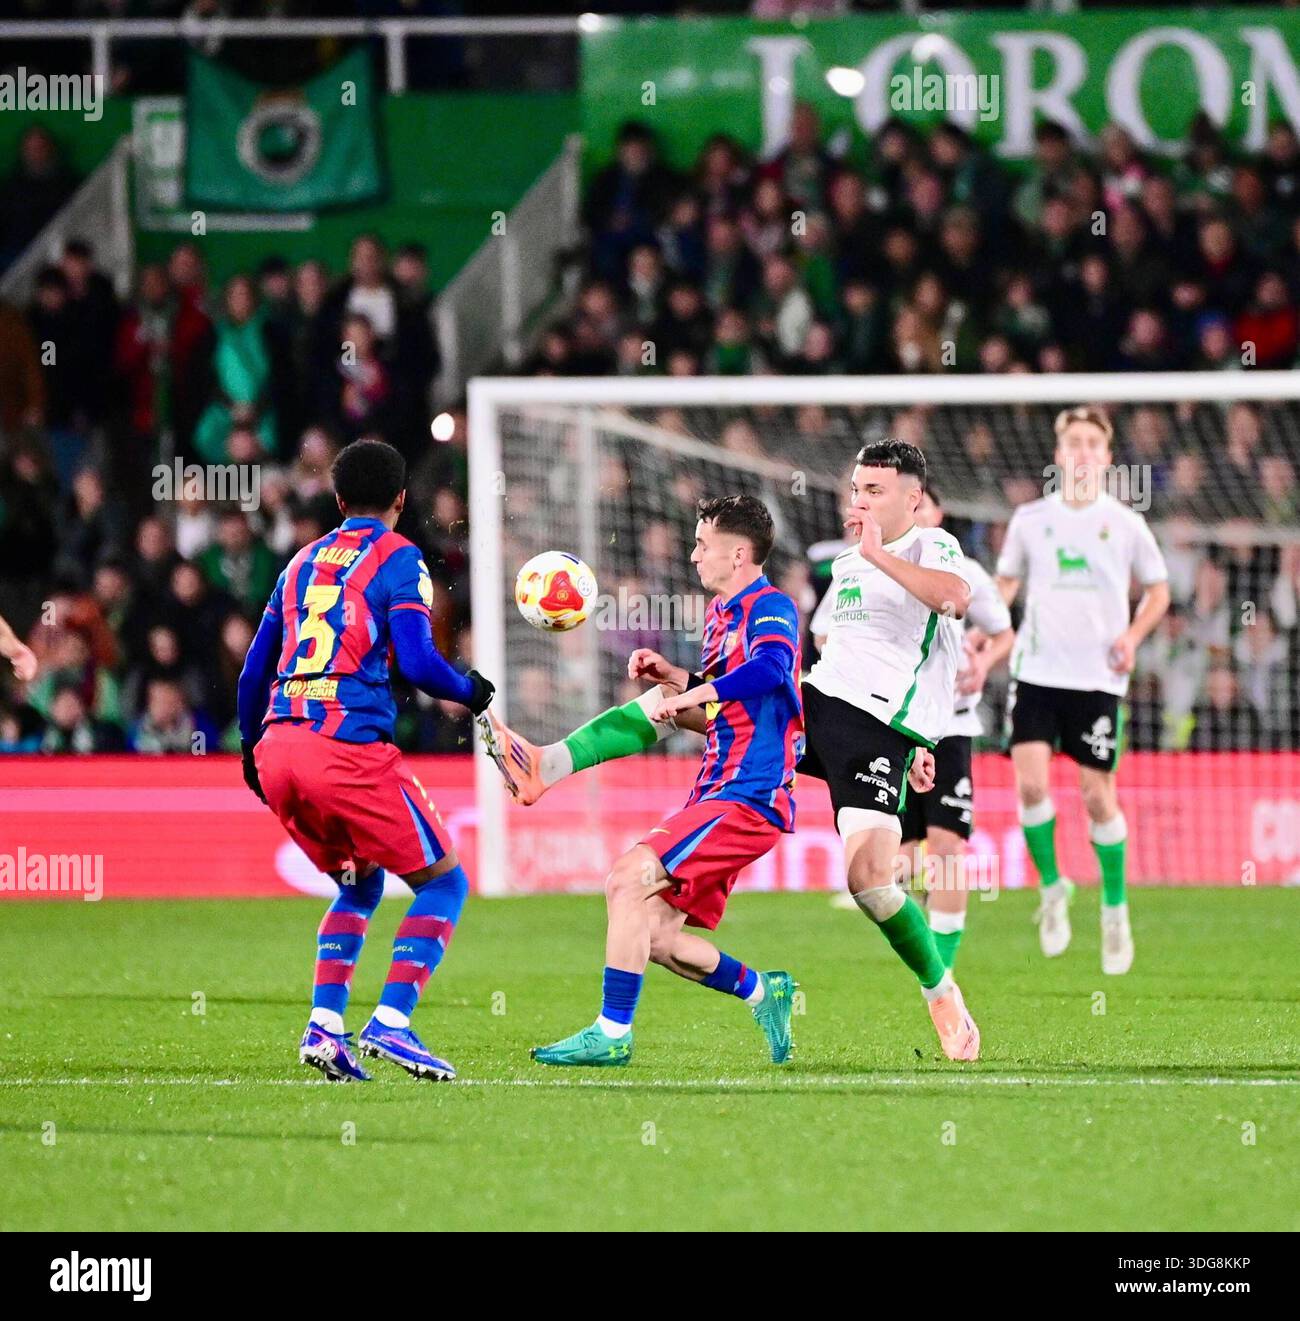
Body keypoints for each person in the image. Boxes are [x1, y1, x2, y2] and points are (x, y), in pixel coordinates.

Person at [485, 495, 802, 1068]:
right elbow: (719, 714)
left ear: (739, 552)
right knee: (654, 937)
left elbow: (773, 670)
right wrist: (678, 679)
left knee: (626, 878)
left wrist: (699, 690)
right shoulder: (720, 617)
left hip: (750, 794)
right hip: (716, 788)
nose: (694, 554)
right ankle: (765, 991)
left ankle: (612, 1032)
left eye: (703, 544)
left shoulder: (771, 606)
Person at [236, 438, 496, 1083]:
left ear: (338, 498)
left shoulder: (299, 562)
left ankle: (325, 1028)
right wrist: (472, 689)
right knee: (444, 883)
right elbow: (417, 662)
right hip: (345, 750)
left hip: (279, 747)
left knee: (361, 883)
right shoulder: (400, 557)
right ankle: (393, 1022)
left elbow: (251, 672)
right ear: (402, 501)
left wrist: (249, 753)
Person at [996, 406, 1170, 975]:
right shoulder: (1030, 520)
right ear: (1059, 454)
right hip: (1038, 672)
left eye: (1094, 443)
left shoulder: (1124, 523)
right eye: (1074, 442)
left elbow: (1160, 591)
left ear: (1107, 456)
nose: (1084, 452)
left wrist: (1134, 634)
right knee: (1029, 786)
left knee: (1097, 796)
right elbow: (1008, 583)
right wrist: (981, 621)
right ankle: (1053, 889)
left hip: (1097, 679)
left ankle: (1115, 908)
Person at [877, 484, 1013, 971]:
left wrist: (983, 663)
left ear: (939, 510)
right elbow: (827, 629)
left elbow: (1002, 633)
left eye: (925, 505)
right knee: (905, 859)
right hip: (897, 725)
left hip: (950, 725)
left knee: (948, 848)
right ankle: (927, 959)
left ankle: (944, 974)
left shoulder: (966, 572)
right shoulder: (877, 563)